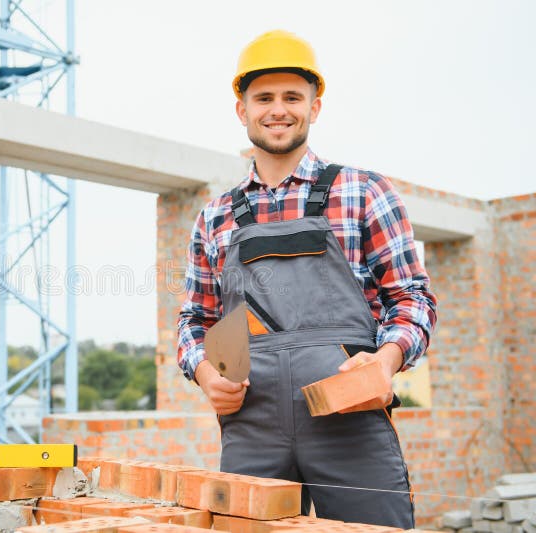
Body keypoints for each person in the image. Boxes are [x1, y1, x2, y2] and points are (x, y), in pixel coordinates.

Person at [176, 30, 437, 528]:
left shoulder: (363, 192)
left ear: (315, 107)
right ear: (242, 110)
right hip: (252, 426)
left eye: (293, 97)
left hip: (350, 419)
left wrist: (385, 362)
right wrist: (207, 374)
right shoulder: (214, 216)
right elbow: (196, 319)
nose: (279, 110)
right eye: (264, 98)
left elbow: (412, 299)